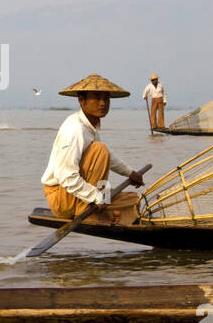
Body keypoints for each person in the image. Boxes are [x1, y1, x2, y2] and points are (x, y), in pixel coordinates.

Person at [41, 73, 144, 222]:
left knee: (132, 199)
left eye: (106, 98)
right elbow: (66, 176)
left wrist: (130, 172)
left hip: (74, 196)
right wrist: (96, 196)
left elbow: (110, 157)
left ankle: (103, 209)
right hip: (60, 198)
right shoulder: (75, 129)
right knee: (99, 150)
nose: (102, 103)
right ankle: (89, 211)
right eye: (96, 97)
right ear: (81, 101)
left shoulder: (89, 127)